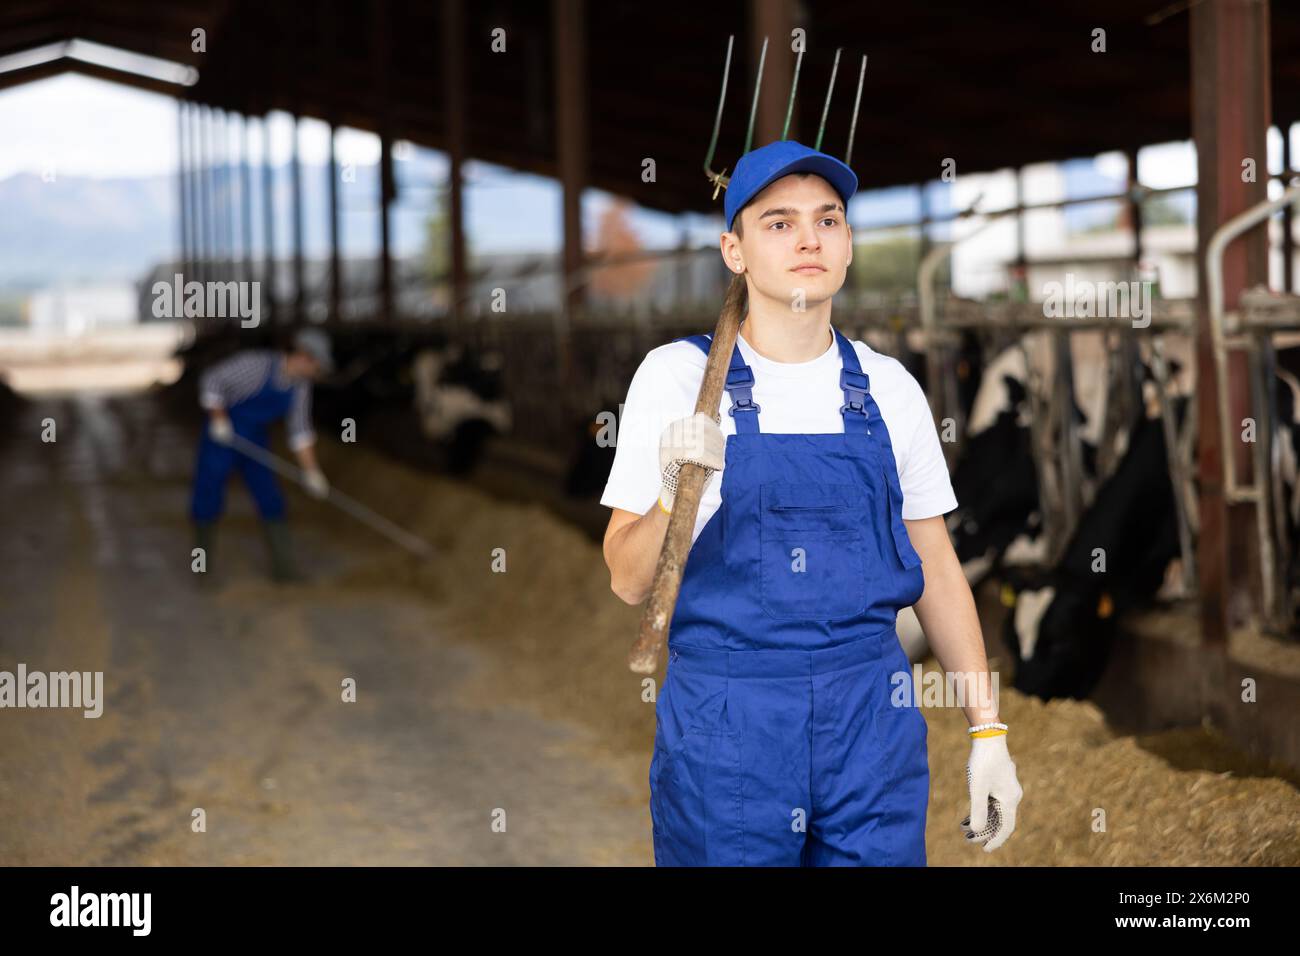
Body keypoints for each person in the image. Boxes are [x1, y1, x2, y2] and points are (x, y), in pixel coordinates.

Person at [600, 139, 1023, 866]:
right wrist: (674, 499)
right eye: (778, 222)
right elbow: (630, 580)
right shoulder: (676, 380)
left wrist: (987, 730)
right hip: (730, 727)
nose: (807, 239)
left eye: (828, 221)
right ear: (733, 250)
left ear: (849, 244)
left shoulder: (889, 390)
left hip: (871, 724)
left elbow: (937, 567)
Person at [190, 327, 334, 583]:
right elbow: (212, 380)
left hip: (255, 442)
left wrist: (311, 471)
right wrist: (219, 419)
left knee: (271, 499)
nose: (317, 372)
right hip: (222, 438)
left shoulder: (300, 388)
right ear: (303, 356)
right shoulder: (255, 366)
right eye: (317, 365)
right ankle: (202, 570)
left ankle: (284, 570)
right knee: (207, 498)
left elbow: (299, 431)